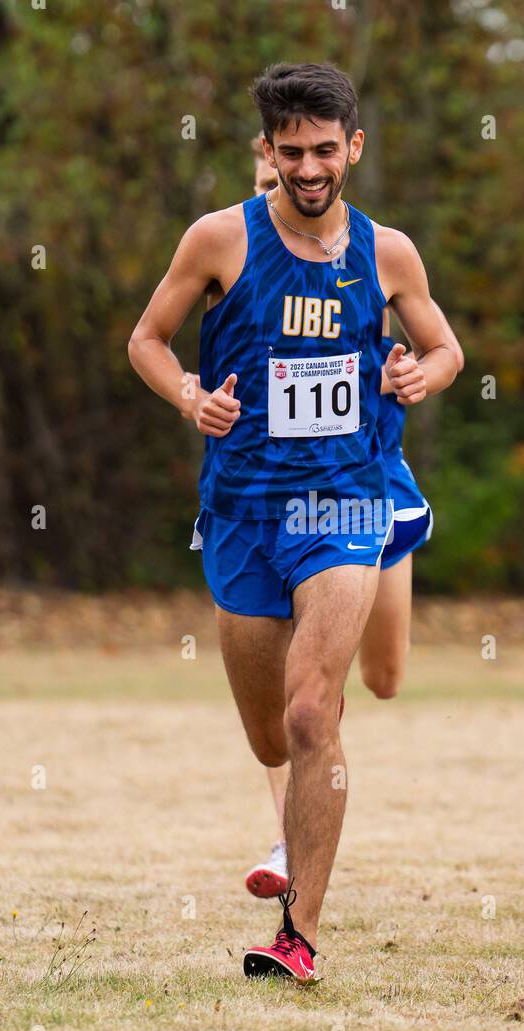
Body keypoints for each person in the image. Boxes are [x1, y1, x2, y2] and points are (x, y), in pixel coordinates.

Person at [128, 62, 461, 978]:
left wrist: (417, 375)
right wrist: (191, 394)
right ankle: (298, 798)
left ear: (353, 147)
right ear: (266, 153)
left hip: (346, 500)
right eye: (291, 152)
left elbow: (445, 347)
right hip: (242, 510)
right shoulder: (217, 240)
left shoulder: (388, 252)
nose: (309, 168)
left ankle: (298, 936)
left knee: (316, 712)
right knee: (274, 732)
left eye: (325, 150)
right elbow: (145, 340)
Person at [238, 136, 463, 900]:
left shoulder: (371, 254)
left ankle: (321, 715)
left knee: (386, 678)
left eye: (311, 164)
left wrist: (410, 371)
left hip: (374, 488)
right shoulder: (240, 256)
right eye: (275, 171)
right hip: (275, 502)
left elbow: (439, 352)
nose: (296, 179)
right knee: (304, 701)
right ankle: (288, 834)